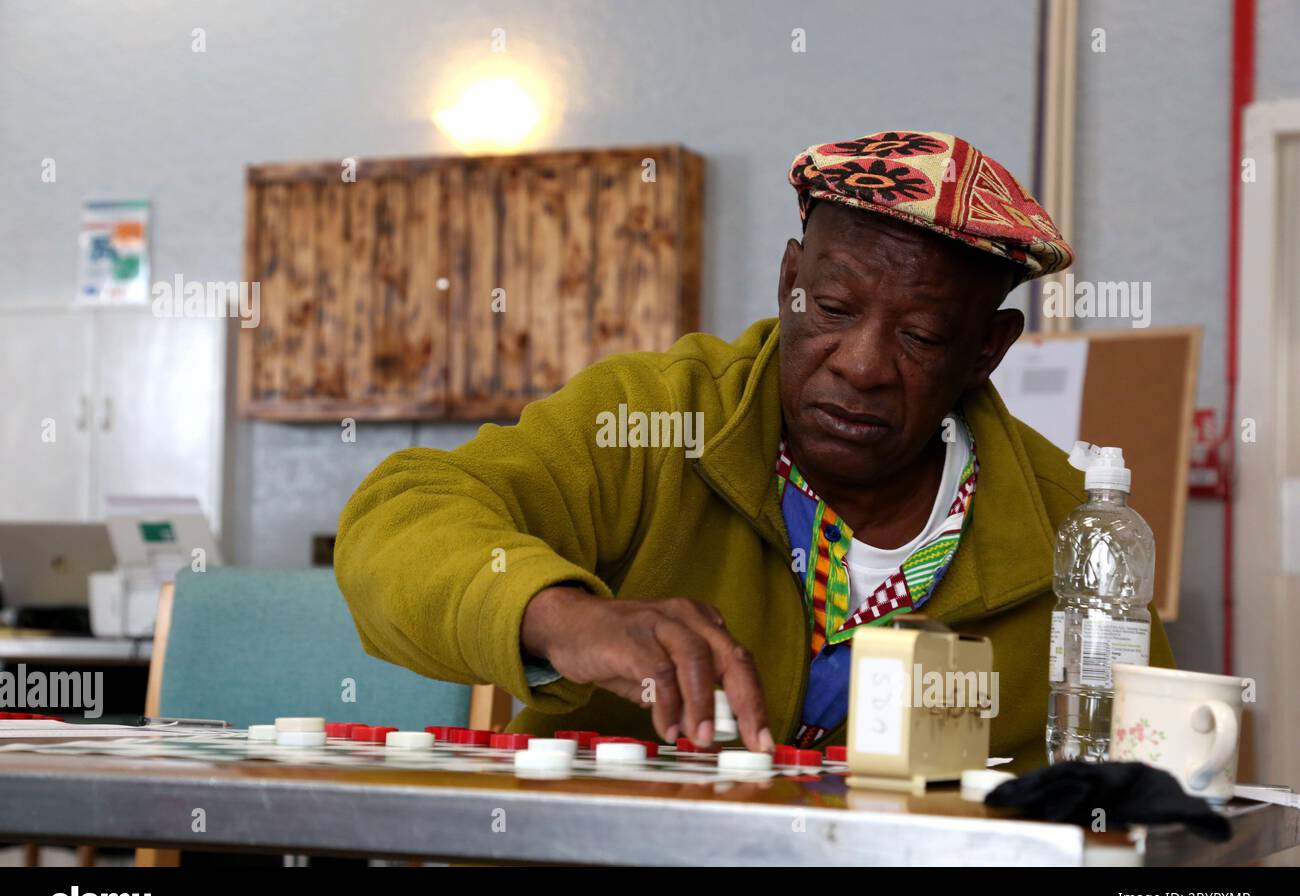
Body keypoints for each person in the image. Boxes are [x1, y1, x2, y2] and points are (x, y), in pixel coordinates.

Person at [335, 130, 1174, 770]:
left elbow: (1152, 799)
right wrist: (565, 616)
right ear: (789, 282)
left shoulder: (1069, 533)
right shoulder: (655, 419)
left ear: (986, 351)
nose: (863, 364)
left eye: (919, 336)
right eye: (835, 309)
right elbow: (397, 518)